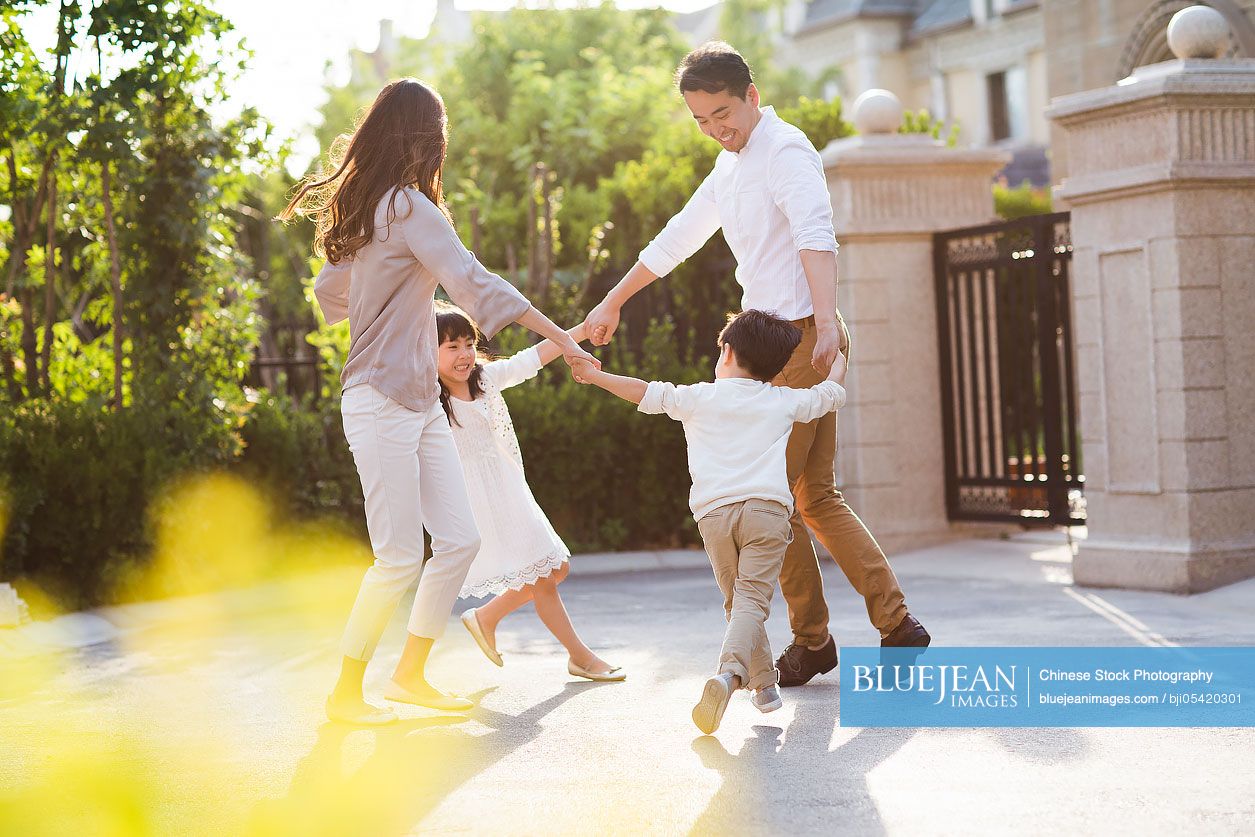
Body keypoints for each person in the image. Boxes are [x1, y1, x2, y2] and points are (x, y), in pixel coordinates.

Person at [583, 42, 930, 688]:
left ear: (752, 96)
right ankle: (895, 624)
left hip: (800, 337)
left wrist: (825, 324)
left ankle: (814, 638)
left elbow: (813, 232)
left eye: (722, 114)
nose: (716, 130)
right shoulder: (730, 167)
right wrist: (613, 299)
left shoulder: (784, 149)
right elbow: (679, 235)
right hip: (782, 341)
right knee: (815, 497)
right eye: (701, 121)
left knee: (771, 498)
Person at [281, 78, 598, 725]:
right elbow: (475, 282)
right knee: (397, 556)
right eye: (441, 130)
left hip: (415, 402)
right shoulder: (408, 210)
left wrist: (389, 295)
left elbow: (328, 293)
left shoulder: (370, 216)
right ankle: (344, 695)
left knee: (457, 539)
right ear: (425, 136)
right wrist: (563, 337)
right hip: (377, 401)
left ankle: (408, 675)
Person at [571, 310, 847, 734]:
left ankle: (764, 687)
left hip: (715, 518)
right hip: (767, 515)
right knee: (751, 601)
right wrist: (839, 353)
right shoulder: (783, 399)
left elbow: (644, 393)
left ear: (727, 351)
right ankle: (729, 675)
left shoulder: (698, 397)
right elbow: (829, 395)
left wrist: (595, 377)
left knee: (739, 603)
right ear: (774, 367)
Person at [433, 303, 624, 682]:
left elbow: (532, 358)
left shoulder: (485, 380)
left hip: (511, 494)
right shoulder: (430, 402)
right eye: (451, 347)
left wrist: (579, 333)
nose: (464, 354)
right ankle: (581, 658)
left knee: (556, 568)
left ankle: (485, 617)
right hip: (477, 504)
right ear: (428, 353)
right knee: (543, 578)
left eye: (469, 344)